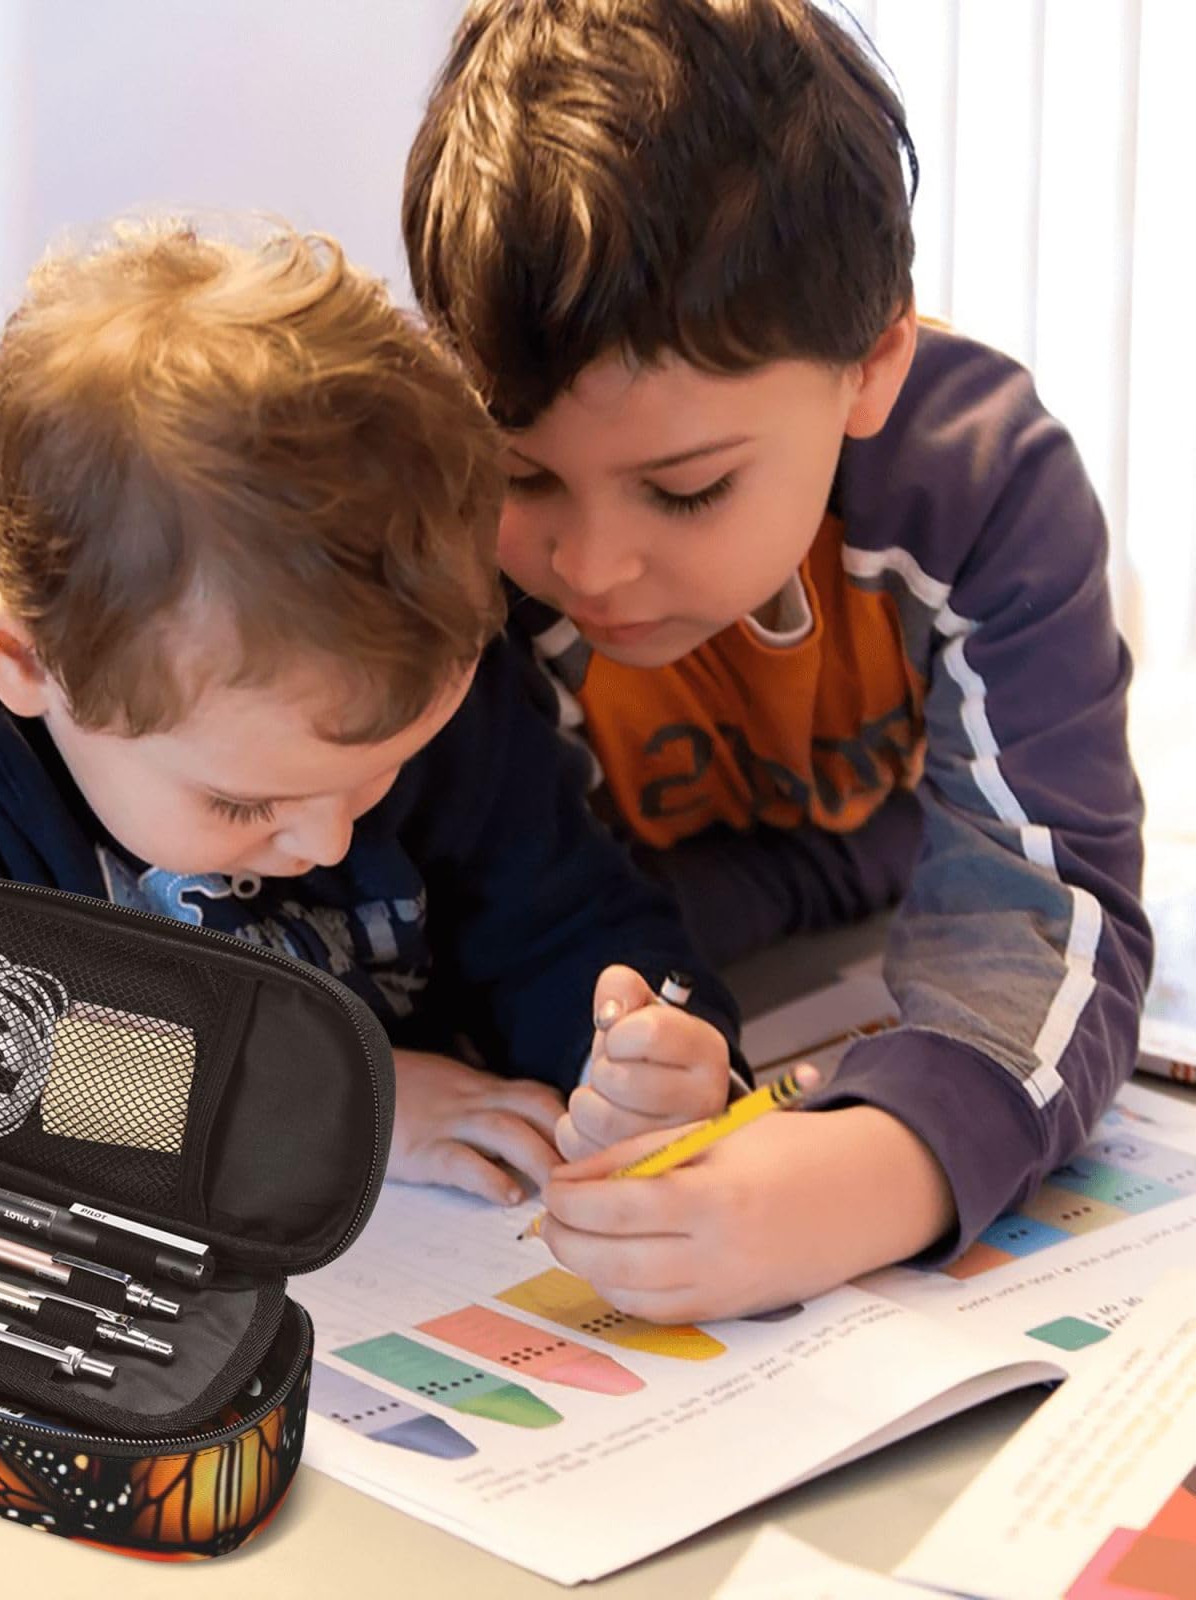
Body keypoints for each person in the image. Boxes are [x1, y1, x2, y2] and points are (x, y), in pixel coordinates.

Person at [0, 218, 745, 1210]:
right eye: (240, 804)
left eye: (378, 773)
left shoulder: (403, 645)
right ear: (28, 664)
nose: (329, 832)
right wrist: (345, 1107)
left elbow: (559, 914)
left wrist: (639, 1051)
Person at [402, 0, 1151, 1318]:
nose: (590, 567)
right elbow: (493, 923)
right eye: (522, 474)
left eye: (685, 491)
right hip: (706, 948)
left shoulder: (986, 485)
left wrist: (886, 1168)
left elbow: (1048, 908)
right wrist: (632, 1048)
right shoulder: (440, 528)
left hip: (881, 908)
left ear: (872, 365)